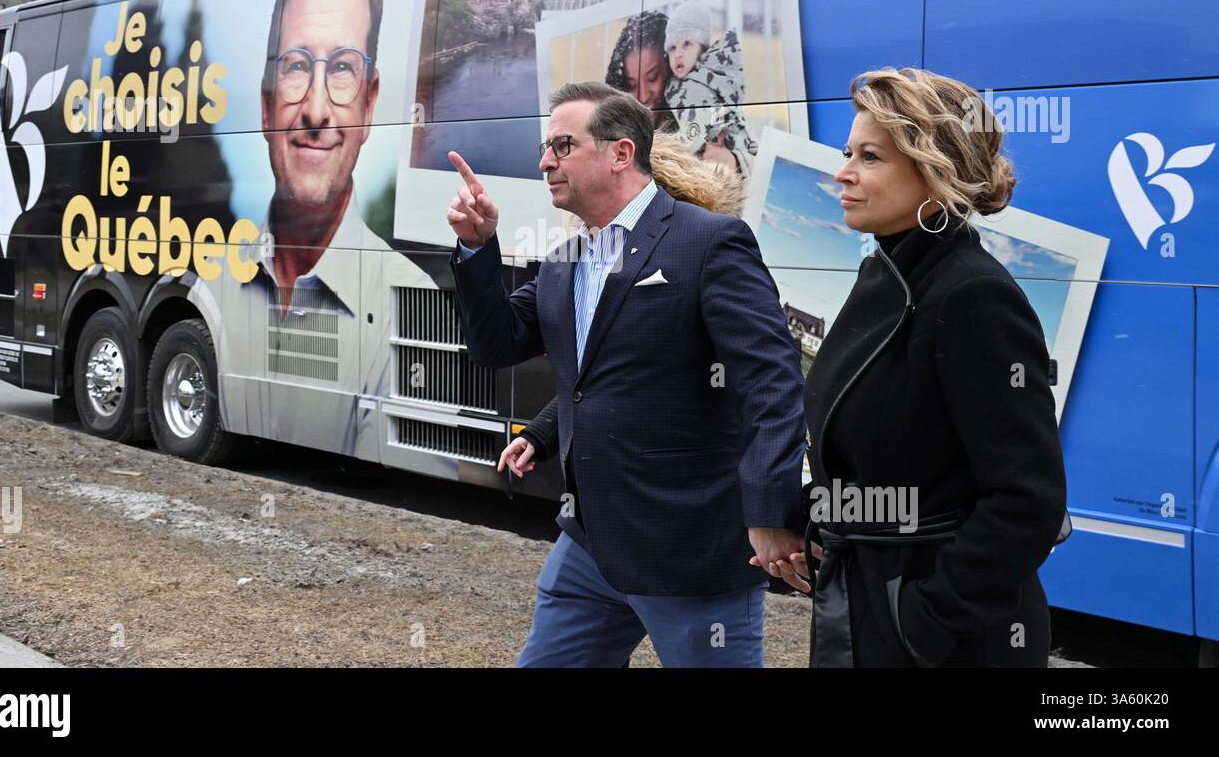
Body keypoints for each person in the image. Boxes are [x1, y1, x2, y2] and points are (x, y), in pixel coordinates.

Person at [446, 81, 809, 667]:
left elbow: (772, 384)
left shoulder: (709, 243)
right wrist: (477, 248)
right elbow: (507, 346)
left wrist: (771, 512)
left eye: (562, 145)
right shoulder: (567, 258)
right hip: (588, 543)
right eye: (546, 147)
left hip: (688, 553)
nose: (544, 161)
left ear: (620, 153)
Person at [787, 67, 1068, 667]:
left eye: (870, 157)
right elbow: (884, 466)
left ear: (935, 176)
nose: (842, 172)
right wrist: (803, 519)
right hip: (870, 604)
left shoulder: (971, 296)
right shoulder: (890, 275)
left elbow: (1027, 501)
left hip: (950, 643)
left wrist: (925, 621)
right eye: (847, 152)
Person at [209, 0, 421, 453]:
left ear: (370, 105)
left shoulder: (407, 301)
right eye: (298, 66)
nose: (318, 110)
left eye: (344, 68)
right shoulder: (208, 276)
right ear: (265, 106)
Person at [503, 133, 747, 474]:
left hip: (681, 489)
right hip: (603, 498)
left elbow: (764, 382)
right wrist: (541, 433)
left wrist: (764, 508)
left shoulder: (711, 254)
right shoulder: (587, 261)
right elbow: (602, 377)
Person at [662, 0, 756, 175]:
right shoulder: (708, 79)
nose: (678, 54)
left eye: (687, 44)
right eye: (672, 48)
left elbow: (694, 135)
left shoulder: (694, 87)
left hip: (719, 160)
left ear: (702, 48)